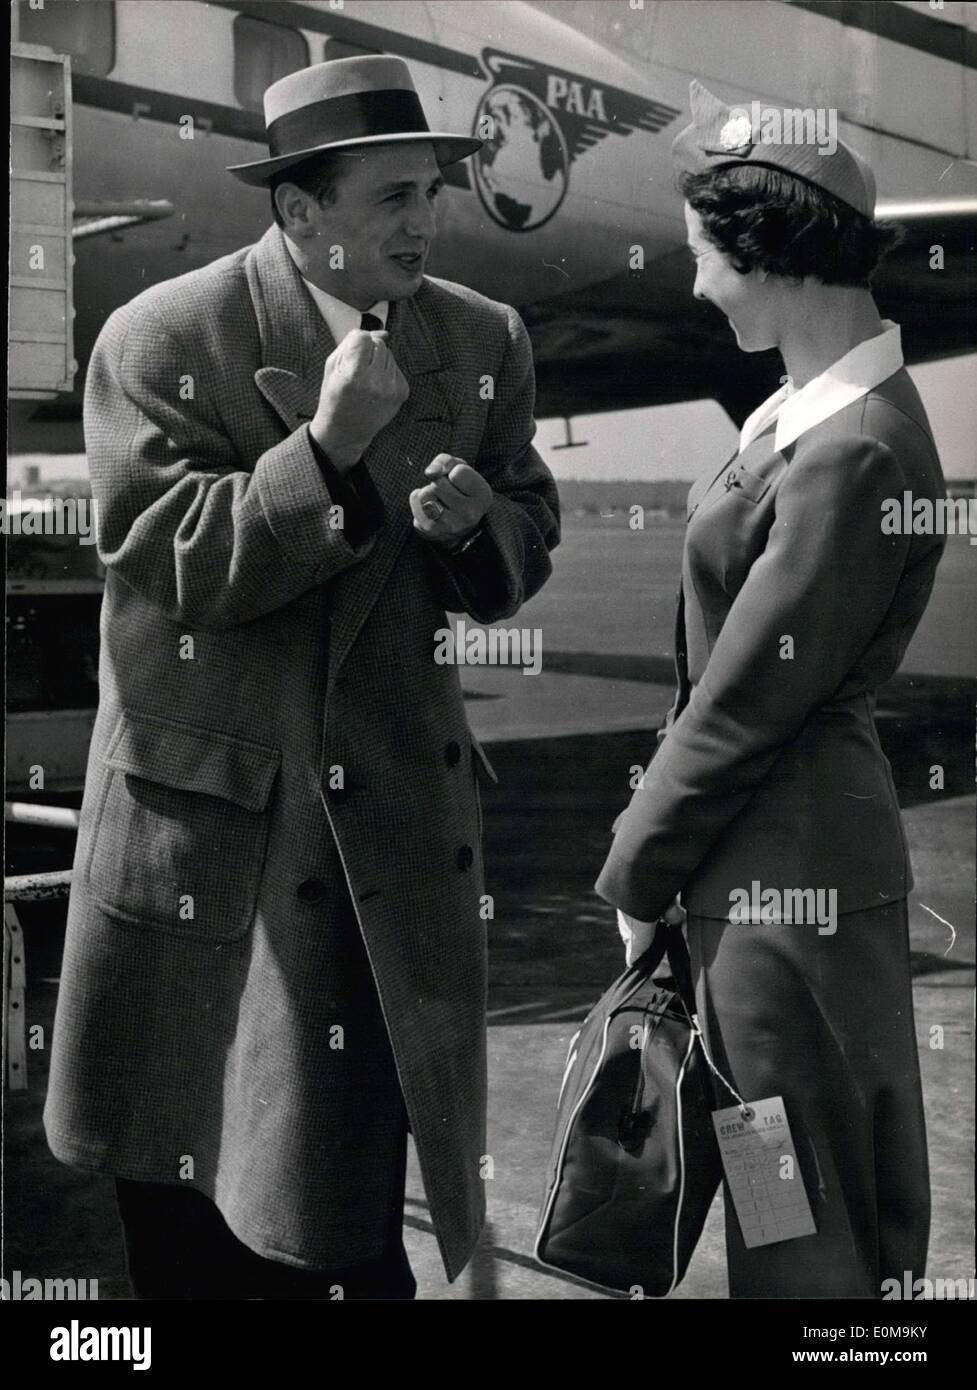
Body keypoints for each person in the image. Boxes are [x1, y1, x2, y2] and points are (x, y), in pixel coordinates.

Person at [44, 55, 559, 1300]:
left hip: (379, 857)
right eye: (391, 197)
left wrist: (479, 525)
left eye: (430, 190)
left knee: (340, 1223)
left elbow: (527, 531)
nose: (424, 222)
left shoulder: (480, 338)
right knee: (184, 1219)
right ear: (298, 214)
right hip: (206, 854)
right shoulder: (163, 336)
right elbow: (167, 559)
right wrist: (325, 452)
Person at [596, 81, 943, 1298]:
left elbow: (745, 698)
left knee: (810, 1226)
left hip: (787, 896)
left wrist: (637, 867)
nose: (695, 287)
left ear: (767, 249)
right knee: (778, 1194)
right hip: (757, 882)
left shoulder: (851, 448)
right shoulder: (809, 420)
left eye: (705, 258)